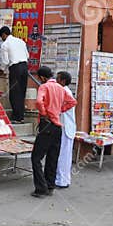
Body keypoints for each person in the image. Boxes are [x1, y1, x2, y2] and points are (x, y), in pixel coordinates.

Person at [31, 66, 77, 198]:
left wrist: (45, 112)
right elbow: (73, 102)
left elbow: (39, 101)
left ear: (42, 77)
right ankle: (50, 185)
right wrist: (59, 110)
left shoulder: (44, 87)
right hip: (58, 127)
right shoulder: (61, 88)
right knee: (52, 157)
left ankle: (41, 188)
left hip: (47, 125)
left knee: (36, 157)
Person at [0, 26, 30, 124]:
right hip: (24, 67)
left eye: (1, 37)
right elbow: (27, 55)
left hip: (15, 68)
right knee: (22, 91)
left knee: (14, 92)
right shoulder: (21, 41)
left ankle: (17, 116)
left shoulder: (5, 44)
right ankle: (21, 116)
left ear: (4, 34)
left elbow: (5, 61)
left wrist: (1, 70)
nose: (1, 39)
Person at [54, 71, 76, 189]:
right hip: (66, 126)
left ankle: (61, 180)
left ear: (62, 81)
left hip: (65, 127)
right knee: (65, 155)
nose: (56, 81)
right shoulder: (65, 91)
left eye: (57, 79)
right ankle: (63, 179)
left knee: (63, 155)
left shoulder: (64, 92)